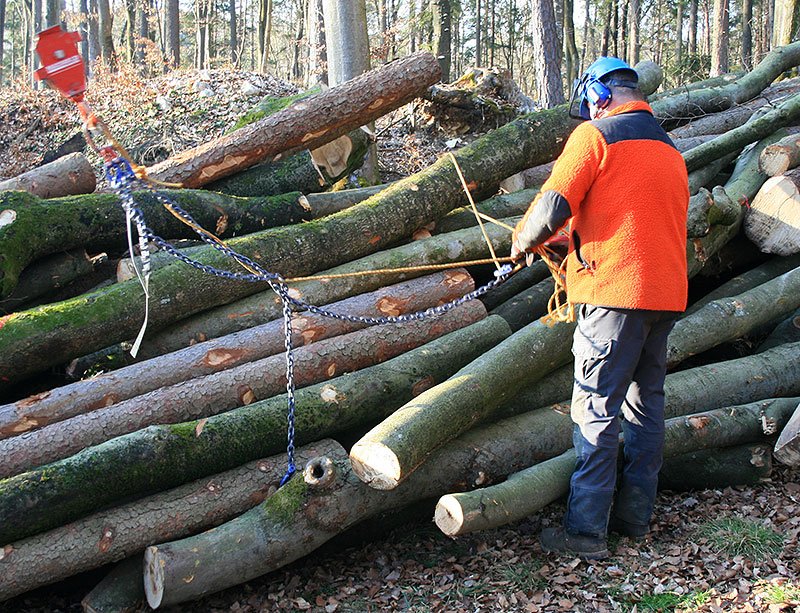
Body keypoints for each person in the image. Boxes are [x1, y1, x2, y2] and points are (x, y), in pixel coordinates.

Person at [510, 57, 690, 560]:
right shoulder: (670, 150)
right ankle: (634, 519)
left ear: (598, 95)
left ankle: (585, 532)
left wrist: (523, 242)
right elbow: (636, 214)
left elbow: (552, 205)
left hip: (614, 294)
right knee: (644, 407)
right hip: (664, 294)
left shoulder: (596, 137)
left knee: (594, 409)